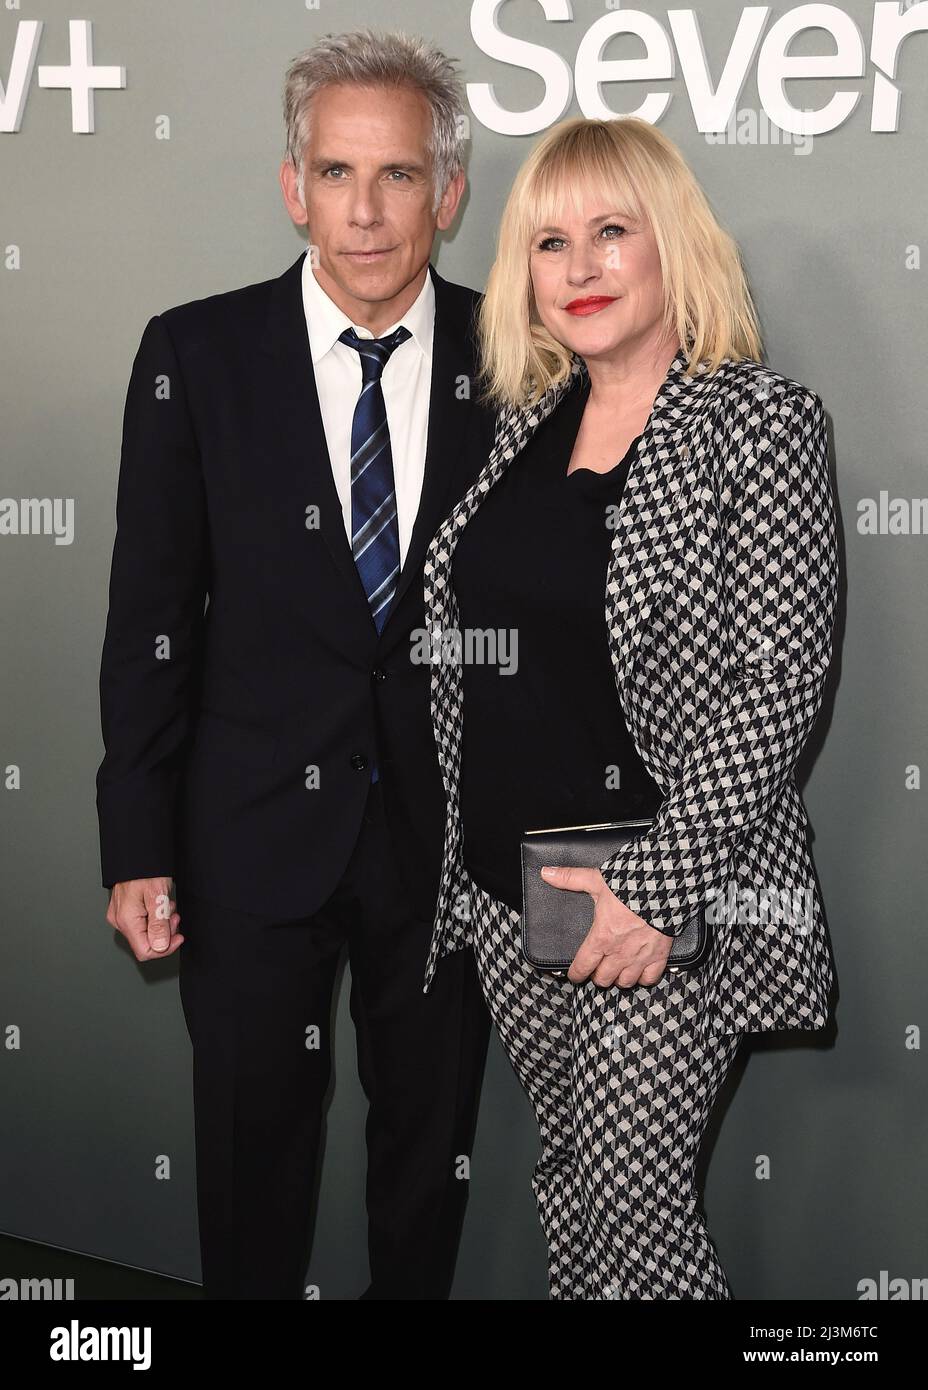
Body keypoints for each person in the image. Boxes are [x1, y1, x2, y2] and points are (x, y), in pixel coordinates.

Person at [95, 29, 494, 1300]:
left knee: (426, 1166)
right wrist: (137, 841)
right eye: (334, 173)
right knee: (248, 1161)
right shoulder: (195, 357)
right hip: (250, 833)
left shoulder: (523, 362)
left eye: (394, 177)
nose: (364, 212)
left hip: (449, 850)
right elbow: (149, 619)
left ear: (448, 192)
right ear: (291, 186)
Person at [420, 114, 839, 1300]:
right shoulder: (522, 426)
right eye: (550, 243)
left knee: (640, 1225)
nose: (582, 268)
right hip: (512, 897)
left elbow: (778, 684)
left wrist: (651, 891)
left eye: (613, 231)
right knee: (570, 1182)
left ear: (673, 246)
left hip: (660, 897)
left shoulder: (755, 424)